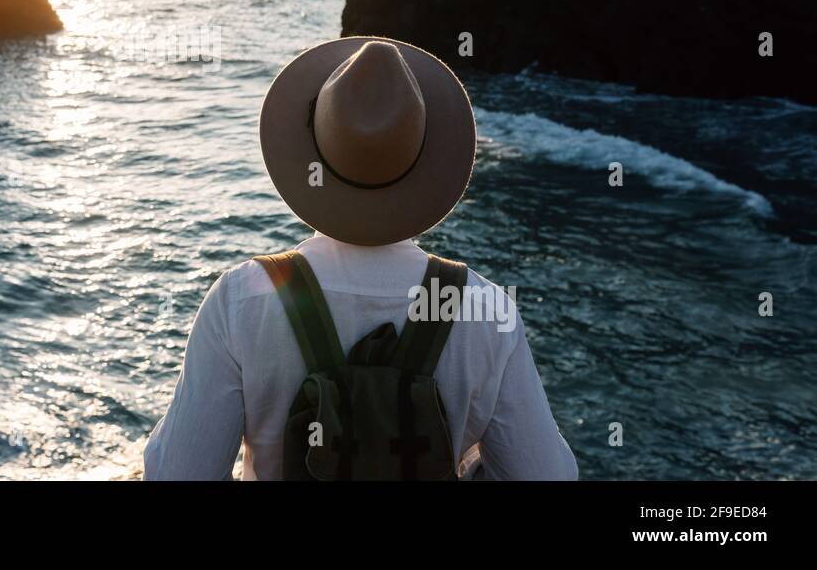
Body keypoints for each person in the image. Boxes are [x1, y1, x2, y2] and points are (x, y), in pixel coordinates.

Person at [144, 37, 578, 480]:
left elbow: (179, 472)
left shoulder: (242, 298)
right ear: (425, 157)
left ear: (314, 148)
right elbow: (548, 476)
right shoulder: (485, 308)